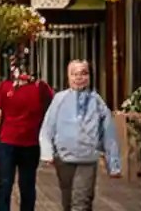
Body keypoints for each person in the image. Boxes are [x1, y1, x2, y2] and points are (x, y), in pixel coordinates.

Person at [38, 60, 122, 211]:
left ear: (89, 76)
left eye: (83, 73)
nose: (79, 77)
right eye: (74, 74)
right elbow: (47, 128)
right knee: (68, 201)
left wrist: (113, 164)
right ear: (68, 77)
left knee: (81, 201)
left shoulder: (97, 101)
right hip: (63, 159)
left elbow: (109, 133)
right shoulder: (59, 99)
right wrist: (47, 152)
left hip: (87, 158)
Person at [0, 54, 53, 211]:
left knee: (5, 184)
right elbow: (51, 114)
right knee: (27, 185)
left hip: (8, 143)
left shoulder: (5, 87)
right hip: (30, 143)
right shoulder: (41, 88)